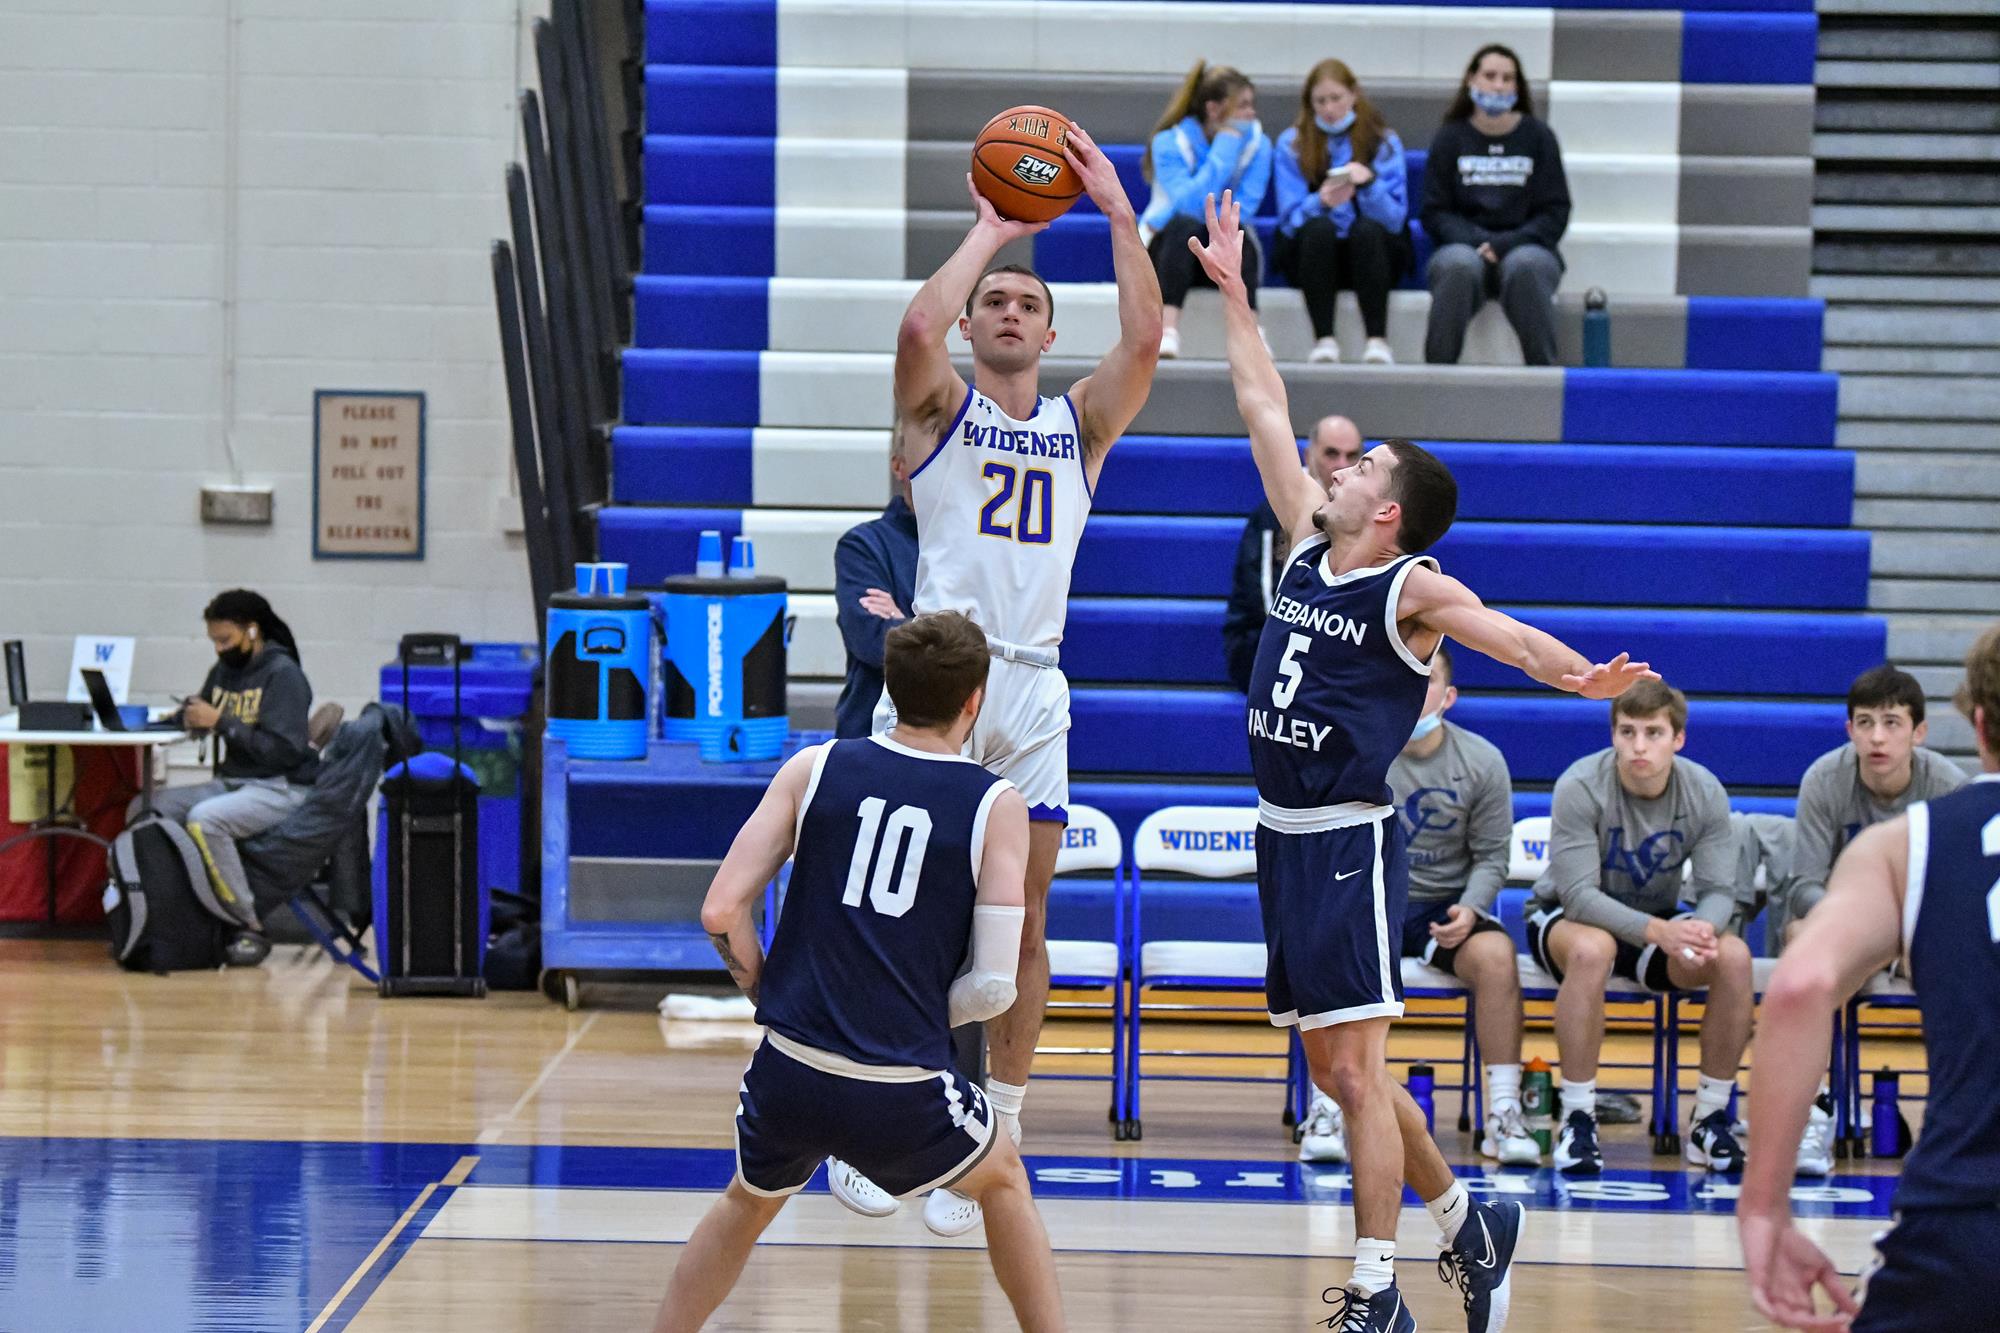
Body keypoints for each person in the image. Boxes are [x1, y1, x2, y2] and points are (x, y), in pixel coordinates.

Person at [1189, 188, 1655, 1332]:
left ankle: (1374, 1291)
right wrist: (1237, 296)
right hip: (1278, 836)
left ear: (1388, 512)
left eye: (1362, 468)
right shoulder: (1305, 537)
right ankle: (1468, 1226)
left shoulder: (1412, 587)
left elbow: (1509, 633)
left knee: (1351, 1077)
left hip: (1348, 838)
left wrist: (1580, 677)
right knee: (1346, 1076)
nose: (1335, 469)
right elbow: (1260, 399)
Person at [834, 125, 1161, 1236]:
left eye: (1028, 302)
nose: (1010, 311)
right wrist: (990, 227)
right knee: (900, 916)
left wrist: (1118, 214)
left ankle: (994, 1133)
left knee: (1021, 930)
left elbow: (1149, 336)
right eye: (996, 301)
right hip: (936, 681)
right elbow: (916, 323)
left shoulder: (1080, 428)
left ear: (1049, 330)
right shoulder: (937, 419)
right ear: (976, 325)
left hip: (1028, 691)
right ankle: (882, 1128)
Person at [653, 611, 1065, 1333]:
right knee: (1002, 1178)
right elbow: (997, 984)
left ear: (890, 688)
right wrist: (905, 1016)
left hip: (791, 1066)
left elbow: (721, 909)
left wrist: (765, 987)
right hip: (897, 1081)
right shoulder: (994, 801)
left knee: (745, 1202)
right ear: (975, 699)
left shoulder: (812, 767)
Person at [1740, 623, 2000, 1332]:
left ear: (1974, 720)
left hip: (1967, 1215)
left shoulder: (1914, 839)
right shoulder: (1835, 786)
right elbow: (1800, 882)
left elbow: (1797, 988)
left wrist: (1764, 1202)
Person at [1526, 680, 1755, 1178]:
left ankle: (1711, 1116)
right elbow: (1578, 896)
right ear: (1613, 736)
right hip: (1567, 919)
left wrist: (1701, 931)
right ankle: (1578, 1115)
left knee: (1733, 956)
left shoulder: (1704, 790)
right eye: (1627, 732)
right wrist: (1659, 931)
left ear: (1678, 739)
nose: (1639, 745)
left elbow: (1720, 890)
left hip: (1656, 925)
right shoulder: (1580, 785)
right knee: (1593, 948)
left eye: (1653, 733)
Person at [1757, 663, 1966, 1178]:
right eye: (1866, 722)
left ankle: (1956, 1120)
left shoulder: (1948, 787)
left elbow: (1957, 893)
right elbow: (1804, 884)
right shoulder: (1825, 780)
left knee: (1962, 964)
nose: (1877, 737)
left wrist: (1903, 926)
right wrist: (1862, 919)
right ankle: (1814, 1109)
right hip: (1846, 924)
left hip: (1919, 926)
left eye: (1892, 723)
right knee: (1803, 941)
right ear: (1849, 729)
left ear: (1918, 732)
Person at [136, 590, 322, 957]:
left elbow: (284, 751)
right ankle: (173, 913)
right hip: (235, 782)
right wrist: (184, 718)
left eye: (225, 639)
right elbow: (208, 713)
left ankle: (247, 923)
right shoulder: (224, 671)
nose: (219, 649)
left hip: (282, 787)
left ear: (252, 632)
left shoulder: (284, 676)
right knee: (148, 809)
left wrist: (223, 721)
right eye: (214, 642)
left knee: (206, 821)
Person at [1421, 44, 1570, 367]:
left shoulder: (1539, 137)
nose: (1498, 85)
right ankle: (1436, 375)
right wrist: (1477, 243)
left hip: (1526, 247)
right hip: (1463, 248)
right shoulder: (1449, 137)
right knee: (1457, 267)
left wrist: (1505, 244)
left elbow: (1555, 212)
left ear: (1518, 87)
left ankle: (1542, 375)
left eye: (1507, 78)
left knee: (1526, 267)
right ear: (1472, 80)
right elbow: (1434, 212)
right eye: (1490, 76)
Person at [1273, 59, 1412, 365]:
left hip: (1372, 250)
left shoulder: (1383, 142)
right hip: (1315, 253)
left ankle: (1377, 340)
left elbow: (1395, 220)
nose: (1329, 109)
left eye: (1336, 99)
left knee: (1368, 231)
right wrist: (1320, 202)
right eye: (1320, 101)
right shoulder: (1291, 144)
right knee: (1317, 230)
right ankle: (1324, 339)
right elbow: (1288, 222)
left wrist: (1369, 185)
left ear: (1354, 95)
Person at [1138, 61, 1271, 359]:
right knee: (1185, 226)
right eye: (1243, 106)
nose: (1252, 114)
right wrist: (1224, 149)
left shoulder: (1259, 145)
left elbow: (1245, 207)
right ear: (1214, 110)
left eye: (1252, 105)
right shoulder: (1169, 142)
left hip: (1221, 250)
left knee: (1235, 231)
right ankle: (1168, 329)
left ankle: (1251, 331)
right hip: (1169, 251)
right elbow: (1188, 204)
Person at [1222, 414, 1362, 691]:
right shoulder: (1276, 509)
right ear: (1309, 455)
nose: (1341, 465)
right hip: (1261, 640)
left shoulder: (1363, 512)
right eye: (1331, 454)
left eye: (1352, 455)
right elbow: (1265, 598)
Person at [832, 449, 918, 738]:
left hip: (959, 744)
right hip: (869, 738)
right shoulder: (862, 545)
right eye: (928, 452)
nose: (937, 464)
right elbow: (872, 643)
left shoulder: (978, 548)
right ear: (899, 464)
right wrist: (936, 629)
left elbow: (985, 645)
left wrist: (902, 620)